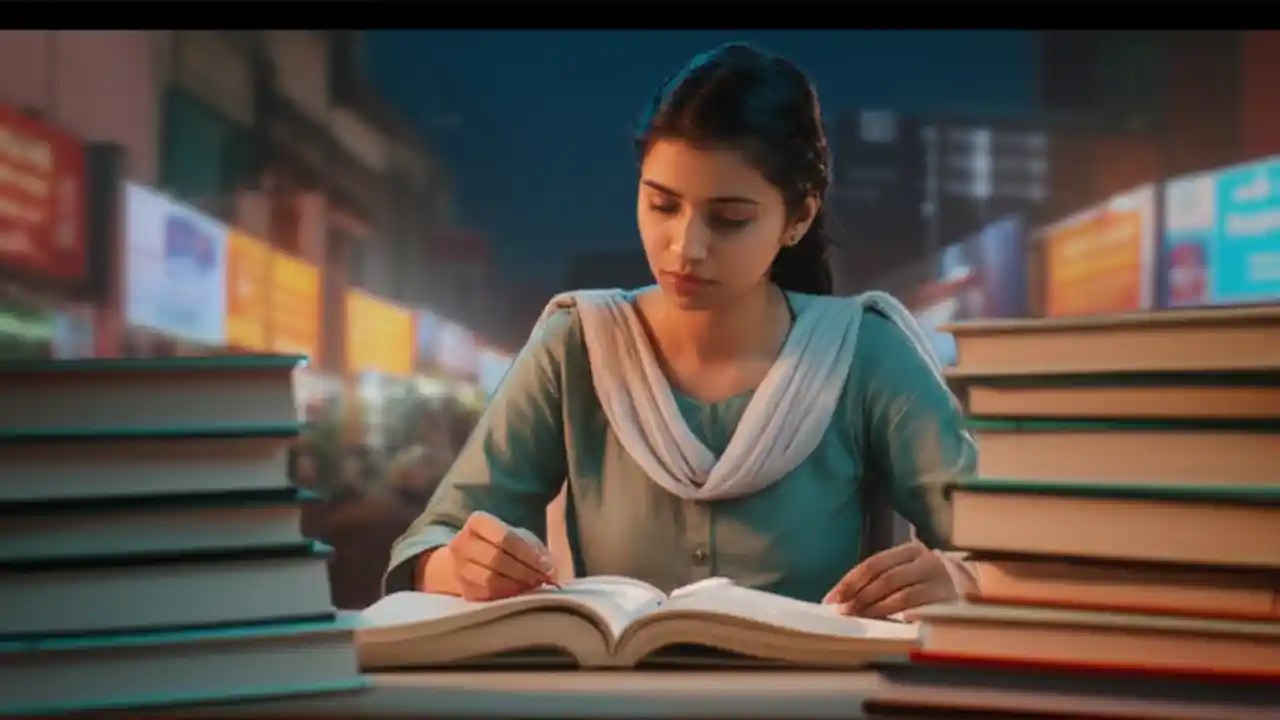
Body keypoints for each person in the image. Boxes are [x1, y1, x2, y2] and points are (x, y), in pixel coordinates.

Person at [385, 43, 978, 619]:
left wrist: (954, 578)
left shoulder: (863, 351)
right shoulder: (580, 344)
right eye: (662, 206)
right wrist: (460, 565)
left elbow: (1000, 548)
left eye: (729, 219)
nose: (685, 248)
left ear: (798, 217)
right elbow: (430, 544)